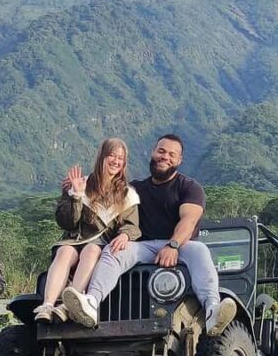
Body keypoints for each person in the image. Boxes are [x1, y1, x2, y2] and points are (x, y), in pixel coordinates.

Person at [62, 133, 236, 336]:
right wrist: (75, 189)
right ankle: (91, 301)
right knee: (113, 250)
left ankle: (212, 308)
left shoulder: (189, 187)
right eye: (161, 151)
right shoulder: (135, 189)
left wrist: (173, 245)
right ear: (153, 152)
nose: (165, 157)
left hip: (180, 245)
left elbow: (188, 221)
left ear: (179, 160)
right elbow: (104, 192)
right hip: (143, 245)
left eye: (172, 154)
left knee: (200, 250)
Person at [33, 138, 140, 322]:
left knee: (91, 250)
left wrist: (124, 234)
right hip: (75, 240)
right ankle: (47, 306)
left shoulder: (126, 194)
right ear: (102, 158)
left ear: (124, 163)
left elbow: (132, 225)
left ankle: (69, 306)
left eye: (120, 158)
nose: (115, 161)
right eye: (111, 155)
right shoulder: (81, 183)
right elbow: (67, 223)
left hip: (100, 244)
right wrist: (76, 195)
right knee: (65, 251)